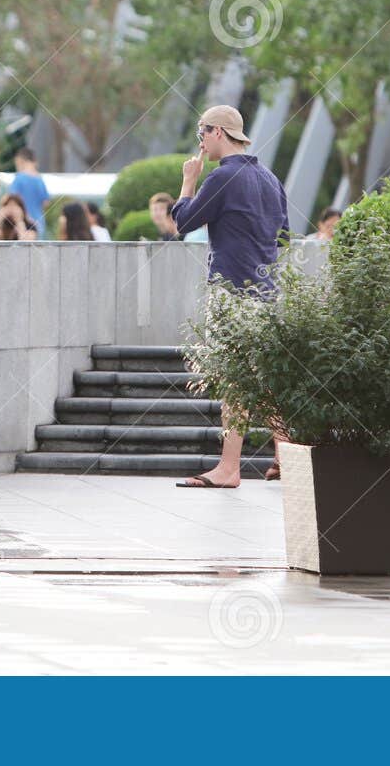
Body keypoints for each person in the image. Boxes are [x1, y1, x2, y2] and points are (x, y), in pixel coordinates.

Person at [170, 105, 291, 490]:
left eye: (201, 132)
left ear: (218, 132)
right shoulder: (270, 179)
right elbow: (284, 238)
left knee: (234, 376)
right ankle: (285, 455)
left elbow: (183, 223)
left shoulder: (222, 176)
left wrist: (188, 182)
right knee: (262, 375)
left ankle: (228, 468)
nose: (201, 141)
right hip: (266, 291)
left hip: (232, 289)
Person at [6, 148, 49, 241]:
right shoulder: (40, 180)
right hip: (39, 224)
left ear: (21, 161)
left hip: (23, 225)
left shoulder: (19, 179)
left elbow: (11, 200)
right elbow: (46, 202)